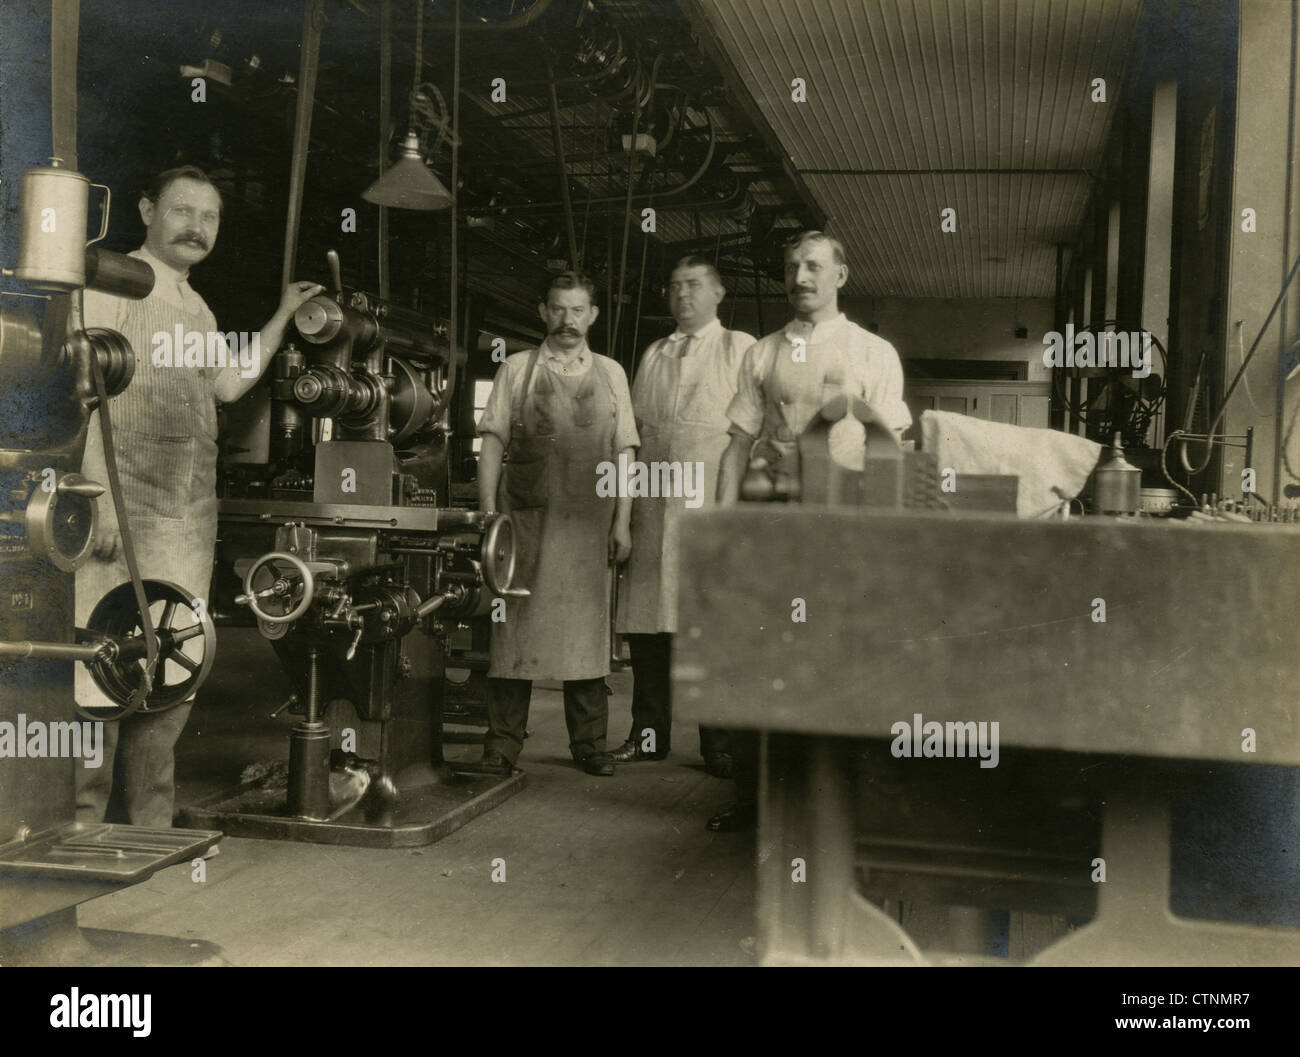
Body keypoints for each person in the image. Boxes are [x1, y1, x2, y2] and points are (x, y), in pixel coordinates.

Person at [75, 164, 323, 827]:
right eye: (183, 211)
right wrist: (89, 493)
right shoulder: (112, 282)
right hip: (118, 508)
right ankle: (77, 826)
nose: (197, 227)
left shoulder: (196, 306)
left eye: (210, 217)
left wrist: (281, 318)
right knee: (99, 662)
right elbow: (79, 392)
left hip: (184, 517)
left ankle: (149, 825)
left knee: (171, 667)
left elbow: (230, 383)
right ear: (148, 208)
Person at [709, 230, 911, 831]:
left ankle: (843, 807)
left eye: (815, 267)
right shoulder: (761, 353)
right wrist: (722, 524)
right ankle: (753, 800)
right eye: (793, 266)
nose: (802, 277)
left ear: (841, 276)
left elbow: (891, 449)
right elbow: (738, 445)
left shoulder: (874, 353)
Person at [475, 272, 639, 777]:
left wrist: (623, 524)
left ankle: (589, 745)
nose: (568, 320)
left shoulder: (612, 373)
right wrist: (489, 516)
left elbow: (624, 453)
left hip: (589, 529)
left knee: (585, 637)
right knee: (513, 636)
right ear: (543, 312)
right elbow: (493, 442)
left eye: (578, 310)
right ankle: (501, 746)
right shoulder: (516, 370)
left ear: (592, 316)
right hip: (523, 524)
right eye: (558, 309)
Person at [610, 255, 754, 776]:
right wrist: (625, 516)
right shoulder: (655, 353)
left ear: (718, 293)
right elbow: (637, 433)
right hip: (653, 507)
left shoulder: (740, 349)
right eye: (673, 287)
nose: (682, 295)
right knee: (648, 633)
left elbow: (750, 437)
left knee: (706, 630)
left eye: (694, 285)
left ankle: (719, 745)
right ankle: (648, 738)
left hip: (710, 509)